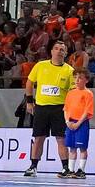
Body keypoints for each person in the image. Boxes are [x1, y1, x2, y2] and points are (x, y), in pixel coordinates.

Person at [24, 40, 73, 178]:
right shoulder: (40, 66)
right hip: (41, 108)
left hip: (59, 109)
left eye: (62, 49)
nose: (58, 51)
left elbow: (72, 92)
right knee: (39, 138)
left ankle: (65, 168)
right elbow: (29, 83)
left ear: (65, 53)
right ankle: (33, 166)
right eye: (56, 48)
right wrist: (29, 102)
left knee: (61, 139)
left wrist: (69, 109)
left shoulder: (69, 70)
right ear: (51, 51)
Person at [63, 70, 94, 179]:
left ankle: (81, 170)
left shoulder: (88, 94)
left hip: (81, 123)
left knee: (82, 147)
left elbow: (87, 111)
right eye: (75, 77)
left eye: (80, 77)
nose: (77, 80)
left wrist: (78, 123)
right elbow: (66, 109)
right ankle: (71, 170)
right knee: (72, 148)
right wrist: (67, 122)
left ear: (86, 80)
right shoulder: (71, 93)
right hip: (70, 122)